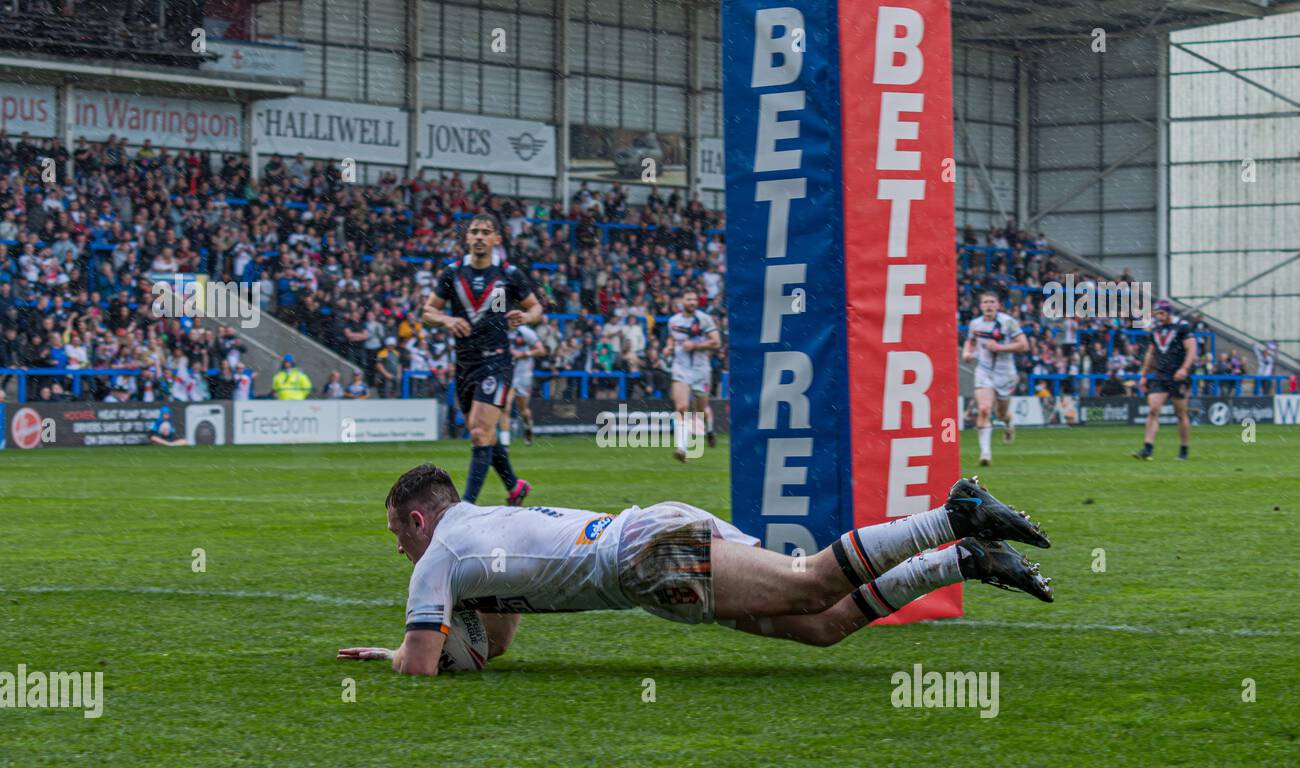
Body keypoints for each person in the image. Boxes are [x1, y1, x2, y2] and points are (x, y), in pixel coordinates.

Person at [337, 465, 1054, 676]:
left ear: (419, 521)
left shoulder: (440, 556)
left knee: (810, 584)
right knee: (823, 627)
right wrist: (458, 629)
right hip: (650, 539)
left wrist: (400, 650)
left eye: (397, 533)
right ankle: (964, 558)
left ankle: (953, 515)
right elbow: (496, 644)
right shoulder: (475, 534)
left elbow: (423, 671)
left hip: (645, 561)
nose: (398, 548)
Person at [420, 213, 544, 505]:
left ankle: (466, 507)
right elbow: (427, 312)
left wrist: (527, 316)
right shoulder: (451, 274)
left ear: (495, 239)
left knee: (479, 431)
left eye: (485, 232)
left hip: (497, 361)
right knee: (482, 433)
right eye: (474, 231)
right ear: (467, 238)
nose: (478, 236)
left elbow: (536, 307)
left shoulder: (509, 275)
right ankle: (514, 487)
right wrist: (447, 321)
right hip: (465, 364)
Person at [962, 290, 1029, 467]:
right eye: (985, 302)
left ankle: (1008, 423)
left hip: (1005, 373)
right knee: (984, 409)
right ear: (980, 306)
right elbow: (971, 341)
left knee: (1001, 413)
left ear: (998, 305)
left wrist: (999, 347)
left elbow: (1024, 345)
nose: (989, 305)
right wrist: (967, 352)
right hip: (984, 371)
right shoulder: (975, 324)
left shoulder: (1008, 322)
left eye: (992, 302)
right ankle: (985, 454)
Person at [1134, 300, 1197, 461]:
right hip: (1161, 375)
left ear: (1169, 313)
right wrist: (1143, 374)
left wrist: (1184, 368)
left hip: (1178, 375)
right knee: (1153, 409)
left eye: (1162, 313)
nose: (1159, 317)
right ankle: (1147, 448)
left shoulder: (1182, 327)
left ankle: (1184, 449)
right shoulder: (1156, 329)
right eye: (1157, 314)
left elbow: (1192, 349)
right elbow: (1151, 353)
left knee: (1180, 413)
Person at [665, 289, 720, 462]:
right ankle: (682, 449)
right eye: (689, 299)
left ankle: (709, 429)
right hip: (680, 367)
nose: (692, 302)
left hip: (700, 369)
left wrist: (695, 346)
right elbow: (672, 338)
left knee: (701, 411)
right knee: (681, 407)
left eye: (695, 299)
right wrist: (669, 347)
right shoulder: (673, 321)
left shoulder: (704, 319)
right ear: (682, 301)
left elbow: (716, 342)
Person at [508, 322, 545, 446]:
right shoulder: (501, 330)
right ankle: (504, 442)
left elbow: (541, 350)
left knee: (523, 410)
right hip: (507, 373)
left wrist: (524, 354)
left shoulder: (525, 332)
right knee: (505, 406)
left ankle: (528, 429)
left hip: (523, 374)